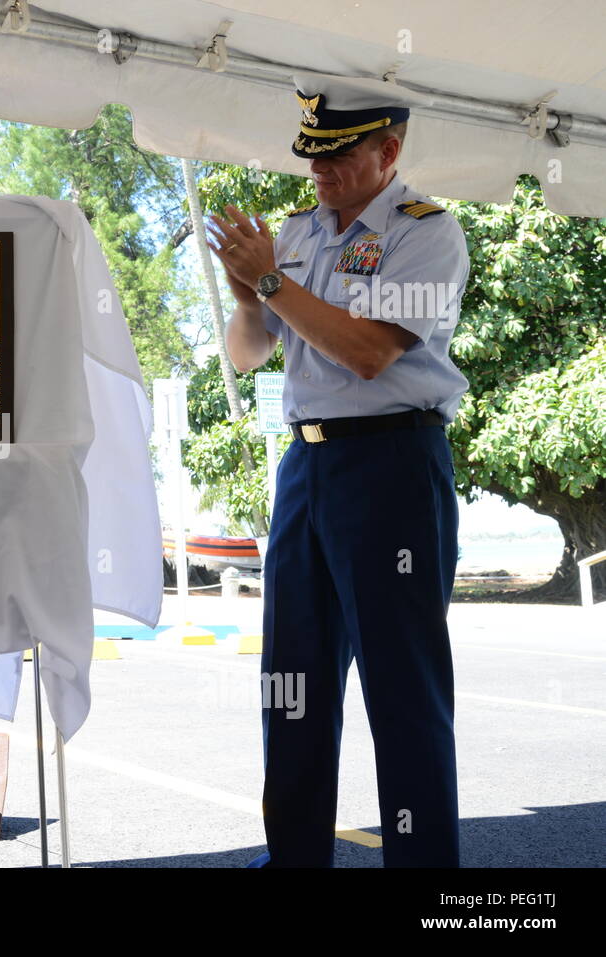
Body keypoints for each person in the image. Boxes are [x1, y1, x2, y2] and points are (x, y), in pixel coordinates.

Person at [207, 73, 469, 867]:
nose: (318, 170)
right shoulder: (295, 233)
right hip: (306, 466)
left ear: (388, 151)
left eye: (337, 155)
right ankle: (293, 858)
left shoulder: (427, 233)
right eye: (311, 156)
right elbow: (248, 354)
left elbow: (367, 352)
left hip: (393, 462)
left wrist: (271, 281)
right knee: (291, 682)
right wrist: (249, 299)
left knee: (402, 688)